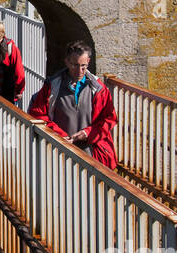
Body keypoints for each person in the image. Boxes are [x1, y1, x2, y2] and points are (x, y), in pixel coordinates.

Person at [28, 41, 118, 169]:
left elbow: (109, 118)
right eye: (75, 65)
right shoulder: (53, 85)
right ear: (67, 62)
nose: (80, 71)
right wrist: (59, 135)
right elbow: (37, 113)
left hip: (92, 153)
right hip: (59, 151)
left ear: (88, 61)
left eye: (83, 66)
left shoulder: (98, 89)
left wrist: (87, 133)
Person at [0, 20, 25, 107]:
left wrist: (18, 91)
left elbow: (18, 72)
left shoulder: (10, 48)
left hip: (5, 93)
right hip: (1, 93)